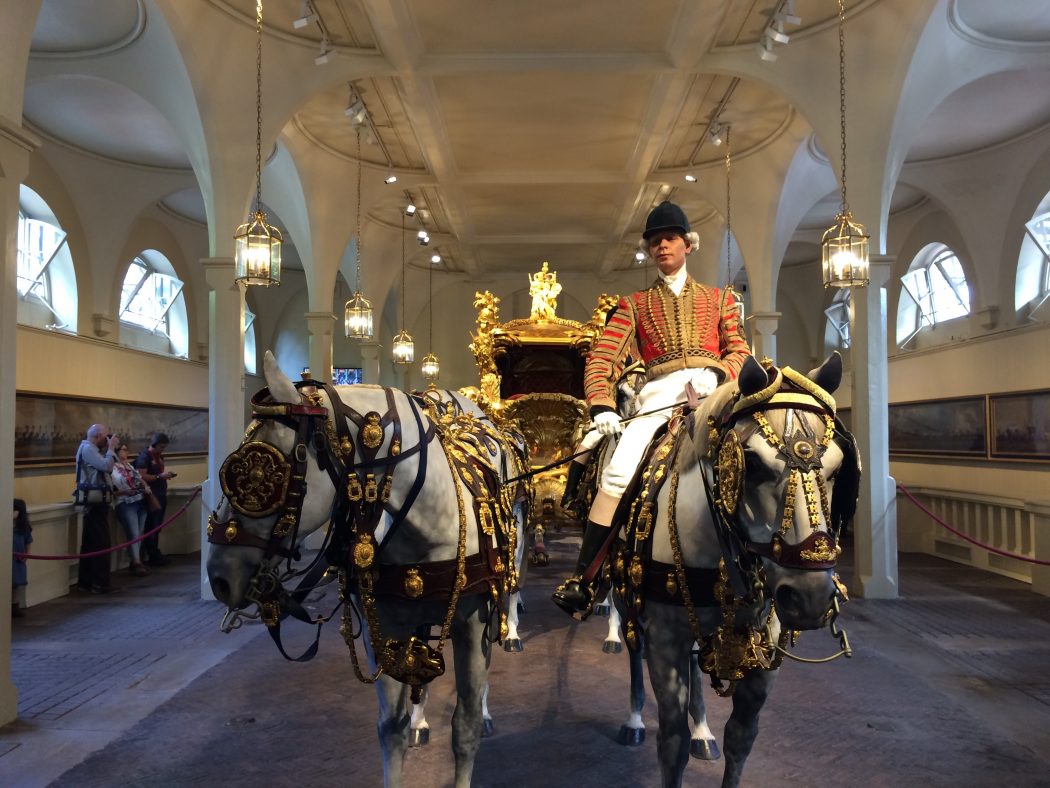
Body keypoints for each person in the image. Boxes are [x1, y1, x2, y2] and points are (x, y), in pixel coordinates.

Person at [552, 200, 751, 616]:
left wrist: (719, 377)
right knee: (619, 470)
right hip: (658, 396)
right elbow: (602, 358)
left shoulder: (720, 300)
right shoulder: (634, 305)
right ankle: (586, 578)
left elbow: (739, 348)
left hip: (715, 389)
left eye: (670, 239)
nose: (662, 247)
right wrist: (601, 406)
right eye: (655, 241)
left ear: (688, 245)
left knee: (762, 456)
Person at [76, 424, 121, 594]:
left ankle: (86, 582)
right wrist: (111, 448)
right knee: (100, 542)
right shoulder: (88, 449)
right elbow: (107, 466)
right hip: (95, 502)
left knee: (90, 543)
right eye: (106, 437)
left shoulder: (90, 449)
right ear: (97, 436)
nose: (108, 439)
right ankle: (100, 583)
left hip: (97, 502)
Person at [135, 432, 175, 567]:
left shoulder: (159, 457)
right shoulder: (144, 457)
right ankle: (152, 555)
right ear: (155, 444)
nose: (162, 450)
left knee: (158, 526)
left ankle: (155, 553)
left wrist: (164, 476)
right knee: (151, 526)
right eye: (161, 447)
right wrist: (159, 477)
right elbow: (141, 476)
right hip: (151, 496)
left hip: (161, 494)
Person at [110, 442, 150, 576]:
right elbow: (112, 488)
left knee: (140, 531)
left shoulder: (129, 465)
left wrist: (145, 486)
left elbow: (139, 478)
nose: (126, 452)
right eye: (123, 450)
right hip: (125, 502)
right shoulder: (112, 467)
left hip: (139, 500)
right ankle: (137, 561)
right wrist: (124, 492)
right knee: (133, 533)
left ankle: (136, 560)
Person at [12, 499, 33, 617]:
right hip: (8, 559)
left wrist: (27, 555)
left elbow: (28, 542)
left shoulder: (23, 527)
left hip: (18, 558)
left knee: (16, 583)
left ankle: (14, 605)